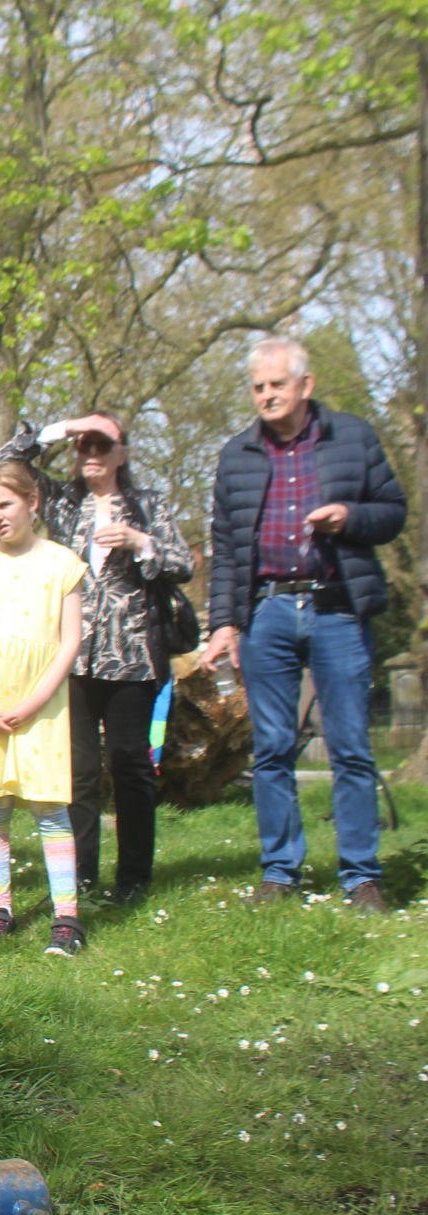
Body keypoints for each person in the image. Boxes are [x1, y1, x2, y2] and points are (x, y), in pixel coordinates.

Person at [197, 336, 408, 912]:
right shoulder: (237, 454)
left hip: (337, 607)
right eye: (258, 387)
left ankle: (361, 877)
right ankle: (280, 873)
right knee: (270, 749)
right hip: (267, 611)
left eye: (277, 385)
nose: (266, 395)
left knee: (351, 749)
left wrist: (350, 517)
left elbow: (394, 511)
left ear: (305, 386)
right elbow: (226, 547)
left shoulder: (353, 437)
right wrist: (224, 625)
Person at [29, 412, 194, 906]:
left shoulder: (146, 505)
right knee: (77, 771)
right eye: (84, 446)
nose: (92, 455)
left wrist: (142, 543)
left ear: (122, 452)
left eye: (103, 445)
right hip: (73, 658)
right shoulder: (62, 501)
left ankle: (133, 879)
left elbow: (183, 563)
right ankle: (79, 876)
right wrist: (66, 427)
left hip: (134, 660)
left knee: (129, 765)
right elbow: (10, 459)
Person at [0, 462, 87, 955]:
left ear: (33, 502)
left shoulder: (62, 564)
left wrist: (33, 703)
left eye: (5, 504)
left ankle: (67, 917)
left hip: (42, 707)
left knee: (50, 810)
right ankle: (0, 909)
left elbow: (69, 642)